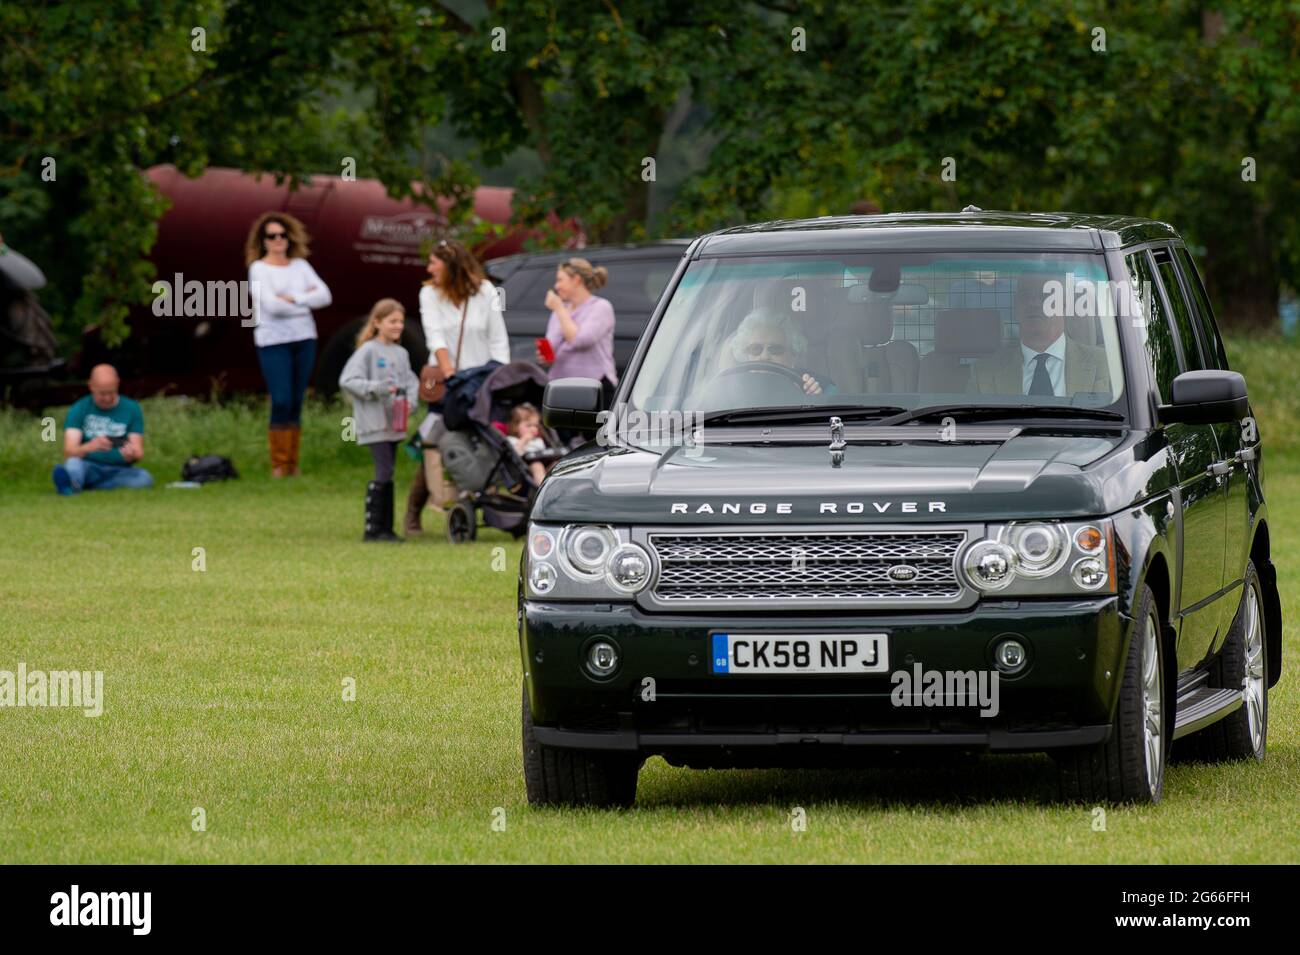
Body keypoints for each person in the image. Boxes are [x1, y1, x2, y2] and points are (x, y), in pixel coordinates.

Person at [405, 238, 508, 535]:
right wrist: (450, 373)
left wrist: (498, 376)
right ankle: (414, 512)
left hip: (481, 380)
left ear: (451, 266)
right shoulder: (429, 293)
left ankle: (473, 497)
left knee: (482, 438)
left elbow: (498, 337)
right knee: (435, 439)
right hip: (449, 382)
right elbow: (434, 336)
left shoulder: (486, 291)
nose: (429, 269)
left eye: (434, 264)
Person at [245, 212, 332, 478]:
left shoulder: (300, 266)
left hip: (304, 338)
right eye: (272, 236)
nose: (278, 240)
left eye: (282, 235)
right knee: (281, 399)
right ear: (263, 240)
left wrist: (292, 298)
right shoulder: (259, 269)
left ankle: (293, 464)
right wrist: (304, 301)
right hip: (273, 341)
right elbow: (270, 306)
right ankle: (279, 464)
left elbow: (325, 296)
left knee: (296, 399)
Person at [339, 299, 420, 542]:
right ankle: (373, 529)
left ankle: (385, 528)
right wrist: (377, 389)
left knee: (389, 471)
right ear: (377, 323)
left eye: (401, 321)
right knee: (384, 470)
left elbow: (410, 382)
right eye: (392, 321)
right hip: (375, 422)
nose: (398, 326)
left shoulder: (401, 353)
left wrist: (411, 401)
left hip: (394, 422)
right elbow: (348, 380)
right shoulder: (368, 350)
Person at [970, 273, 1110, 397]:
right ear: (1016, 305)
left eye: (1046, 295)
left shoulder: (1105, 364)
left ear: (1065, 304)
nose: (1034, 302)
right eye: (1026, 295)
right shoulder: (983, 373)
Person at [52, 364, 153, 494]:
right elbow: (69, 451)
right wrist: (90, 446)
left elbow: (139, 452)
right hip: (88, 466)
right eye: (102, 393)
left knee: (144, 478)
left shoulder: (132, 408)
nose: (107, 398)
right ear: (91, 386)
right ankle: (73, 483)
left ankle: (79, 485)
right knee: (73, 464)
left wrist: (132, 454)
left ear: (117, 384)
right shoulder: (79, 408)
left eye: (111, 392)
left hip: (119, 469)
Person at [535, 257, 618, 406]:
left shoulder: (600, 307)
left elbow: (580, 340)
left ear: (576, 280)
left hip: (595, 387)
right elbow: (552, 344)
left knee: (595, 430)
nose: (556, 286)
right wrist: (545, 357)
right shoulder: (559, 311)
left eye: (560, 280)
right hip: (561, 387)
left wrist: (559, 309)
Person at [729, 308, 824, 394]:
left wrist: (814, 400)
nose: (764, 356)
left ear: (793, 353)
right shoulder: (732, 390)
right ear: (746, 355)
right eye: (755, 349)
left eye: (775, 349)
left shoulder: (819, 387)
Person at [507, 403, 548, 486]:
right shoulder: (512, 440)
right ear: (515, 427)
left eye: (536, 426)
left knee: (557, 464)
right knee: (537, 465)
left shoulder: (538, 440)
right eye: (529, 425)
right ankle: (543, 488)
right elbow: (516, 454)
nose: (533, 429)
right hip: (525, 467)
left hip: (545, 464)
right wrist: (524, 440)